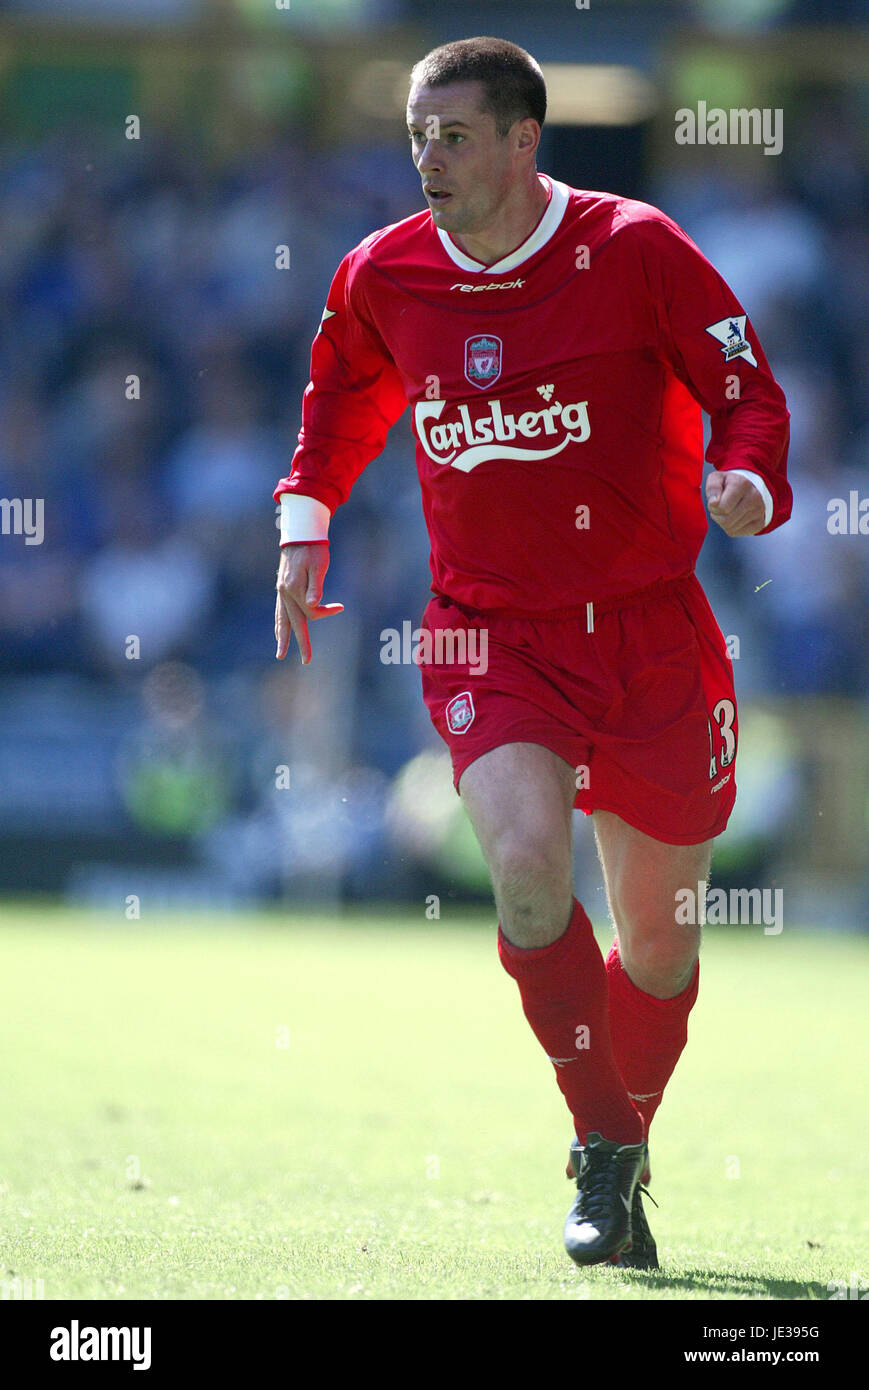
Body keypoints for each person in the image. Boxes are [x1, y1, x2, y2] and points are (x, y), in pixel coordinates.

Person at [272, 37, 791, 1269]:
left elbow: (744, 385)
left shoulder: (633, 249)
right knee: (520, 873)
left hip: (651, 629)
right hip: (487, 626)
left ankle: (617, 1148)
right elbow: (342, 396)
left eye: (453, 135)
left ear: (520, 140)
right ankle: (603, 1149)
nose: (428, 159)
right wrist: (306, 520)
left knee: (658, 939)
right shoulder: (382, 273)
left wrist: (746, 480)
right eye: (416, 135)